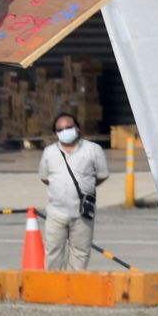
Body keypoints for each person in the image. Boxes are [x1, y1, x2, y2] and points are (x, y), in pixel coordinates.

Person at [38, 112, 109, 270]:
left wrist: (86, 188)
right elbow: (44, 177)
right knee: (53, 252)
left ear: (77, 128)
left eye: (69, 127)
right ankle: (54, 288)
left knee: (80, 252)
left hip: (82, 212)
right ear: (56, 133)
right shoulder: (49, 152)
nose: (65, 131)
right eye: (60, 129)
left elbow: (102, 175)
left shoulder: (93, 150)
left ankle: (73, 288)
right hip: (56, 212)